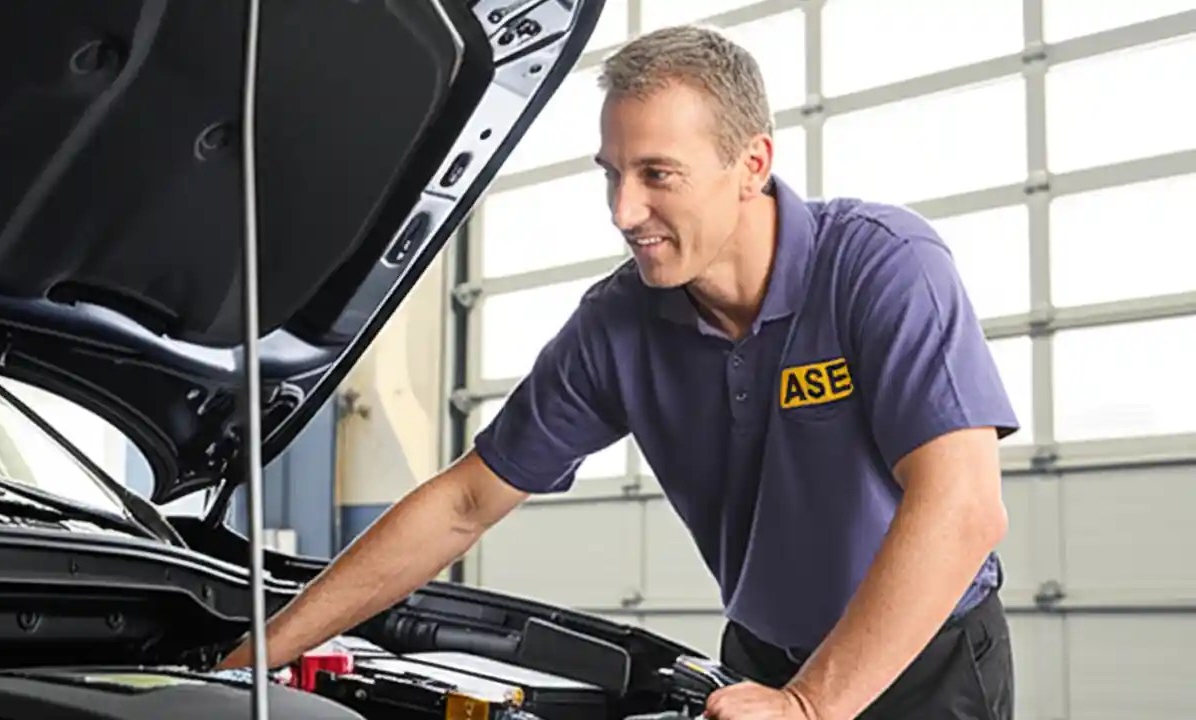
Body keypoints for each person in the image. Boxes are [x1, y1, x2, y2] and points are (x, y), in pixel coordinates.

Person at [219, 24, 1018, 720]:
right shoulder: (619, 323)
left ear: (752, 163)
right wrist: (259, 649)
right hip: (761, 663)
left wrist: (813, 706)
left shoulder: (881, 266)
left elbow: (962, 507)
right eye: (612, 172)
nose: (622, 211)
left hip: (924, 663)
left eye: (656, 175)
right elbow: (465, 502)